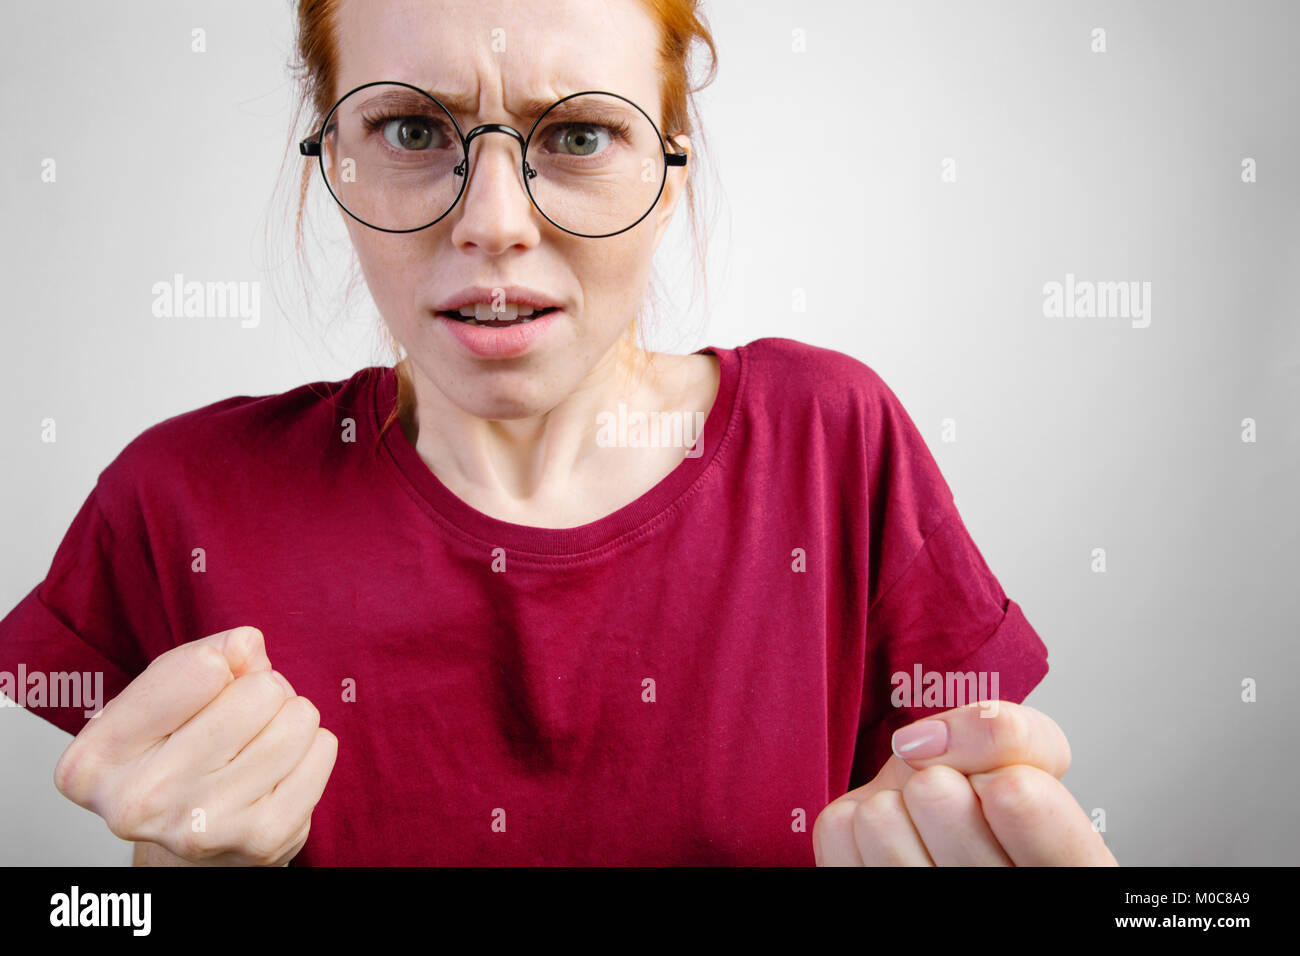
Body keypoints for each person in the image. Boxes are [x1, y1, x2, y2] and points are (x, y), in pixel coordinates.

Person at [0, 0, 1116, 866]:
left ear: (671, 167)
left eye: (578, 132)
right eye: (409, 129)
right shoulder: (179, 497)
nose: (493, 222)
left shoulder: (832, 444)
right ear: (332, 161)